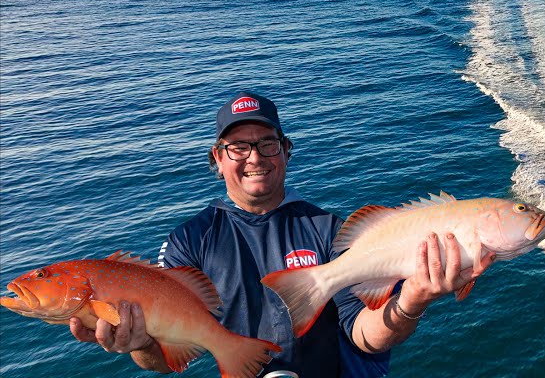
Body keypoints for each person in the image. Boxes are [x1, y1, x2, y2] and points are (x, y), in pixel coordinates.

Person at [69, 90, 496, 376]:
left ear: (286, 152)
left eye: (267, 143)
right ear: (217, 159)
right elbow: (164, 357)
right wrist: (140, 343)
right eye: (238, 147)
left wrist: (413, 299)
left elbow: (365, 335)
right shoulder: (189, 240)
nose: (254, 157)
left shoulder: (327, 229)